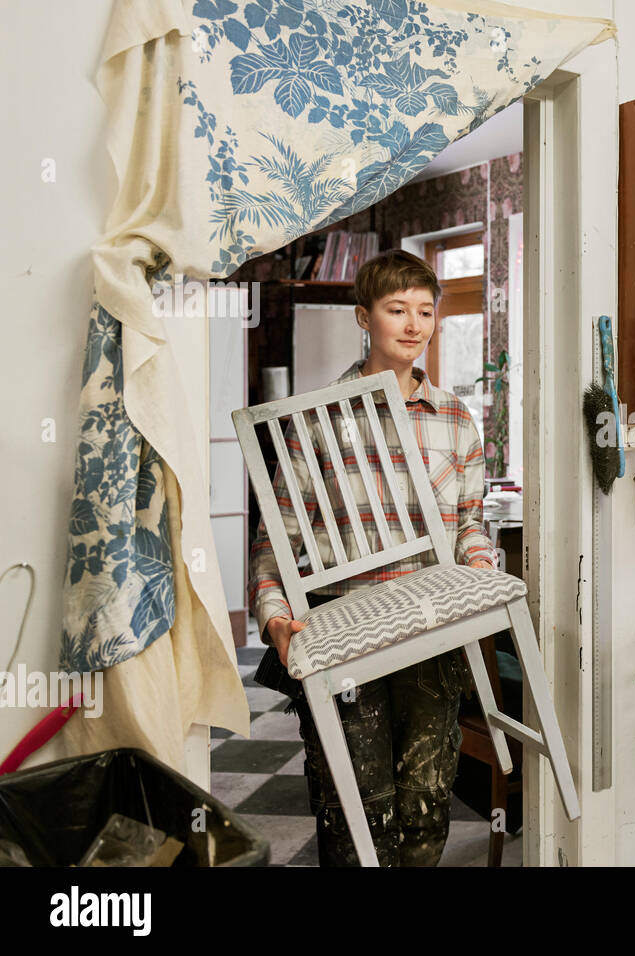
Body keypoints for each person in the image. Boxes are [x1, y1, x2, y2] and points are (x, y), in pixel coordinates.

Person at [248, 248, 495, 866]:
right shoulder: (315, 420)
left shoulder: (457, 418)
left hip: (431, 624)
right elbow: (274, 540)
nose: (414, 325)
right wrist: (276, 617)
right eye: (396, 310)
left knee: (425, 803)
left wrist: (480, 562)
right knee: (353, 808)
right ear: (365, 317)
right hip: (342, 625)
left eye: (425, 311)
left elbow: (469, 524)